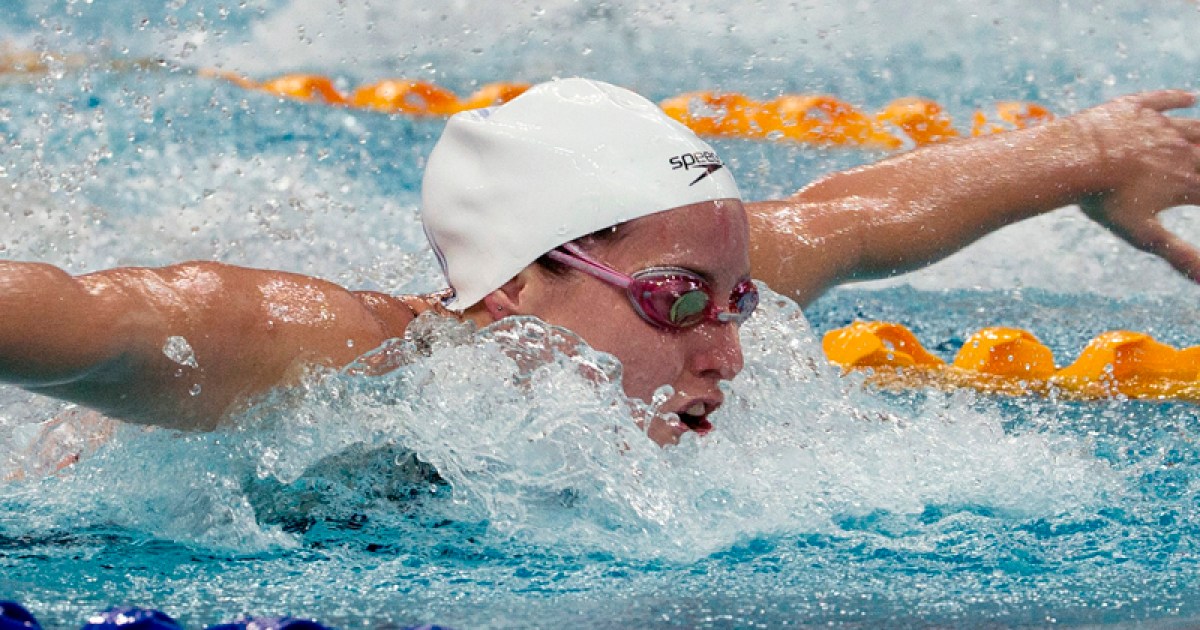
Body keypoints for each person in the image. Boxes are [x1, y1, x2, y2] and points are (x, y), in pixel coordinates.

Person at [1, 78, 1198, 446]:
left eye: (733, 298)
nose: (729, 345)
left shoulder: (684, 288)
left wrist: (1096, 148)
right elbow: (77, 315)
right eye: (680, 302)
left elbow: (857, 216)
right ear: (519, 284)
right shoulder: (301, 354)